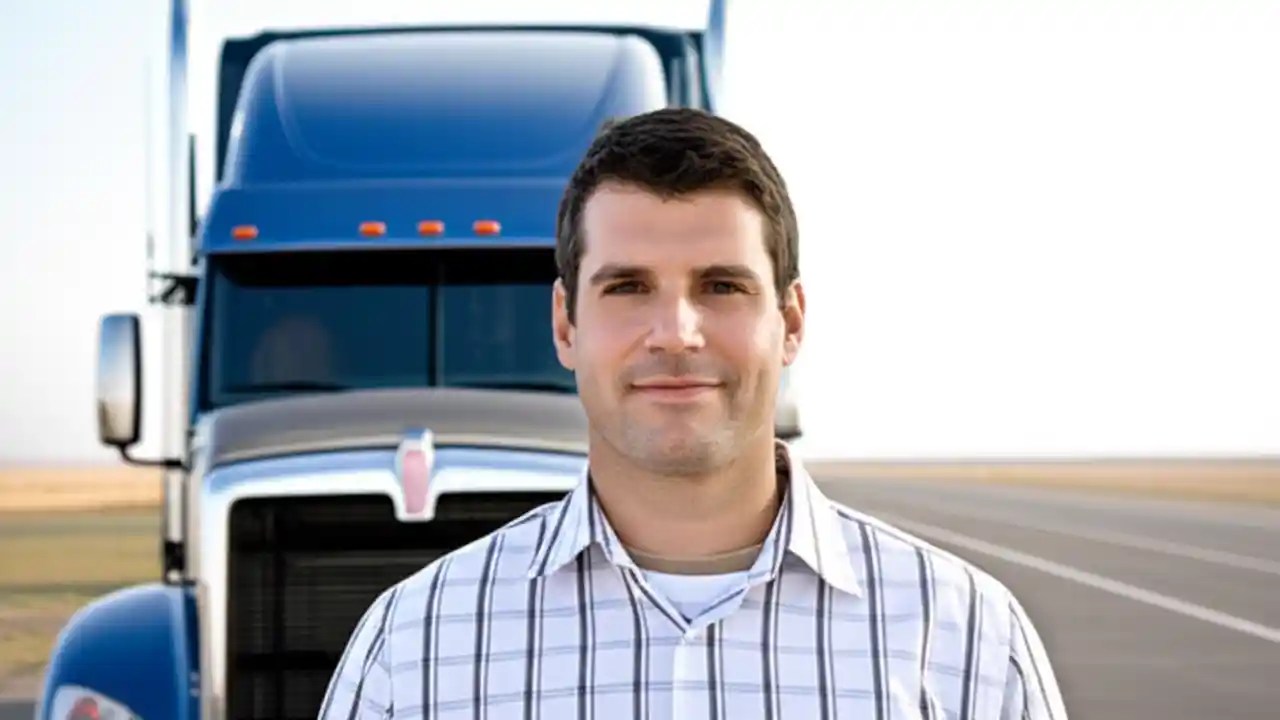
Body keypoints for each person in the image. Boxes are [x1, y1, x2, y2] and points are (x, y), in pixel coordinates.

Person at [318, 107, 1069, 719]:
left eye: (721, 286)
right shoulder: (416, 645)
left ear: (792, 320)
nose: (676, 332)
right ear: (564, 324)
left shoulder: (965, 636)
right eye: (627, 288)